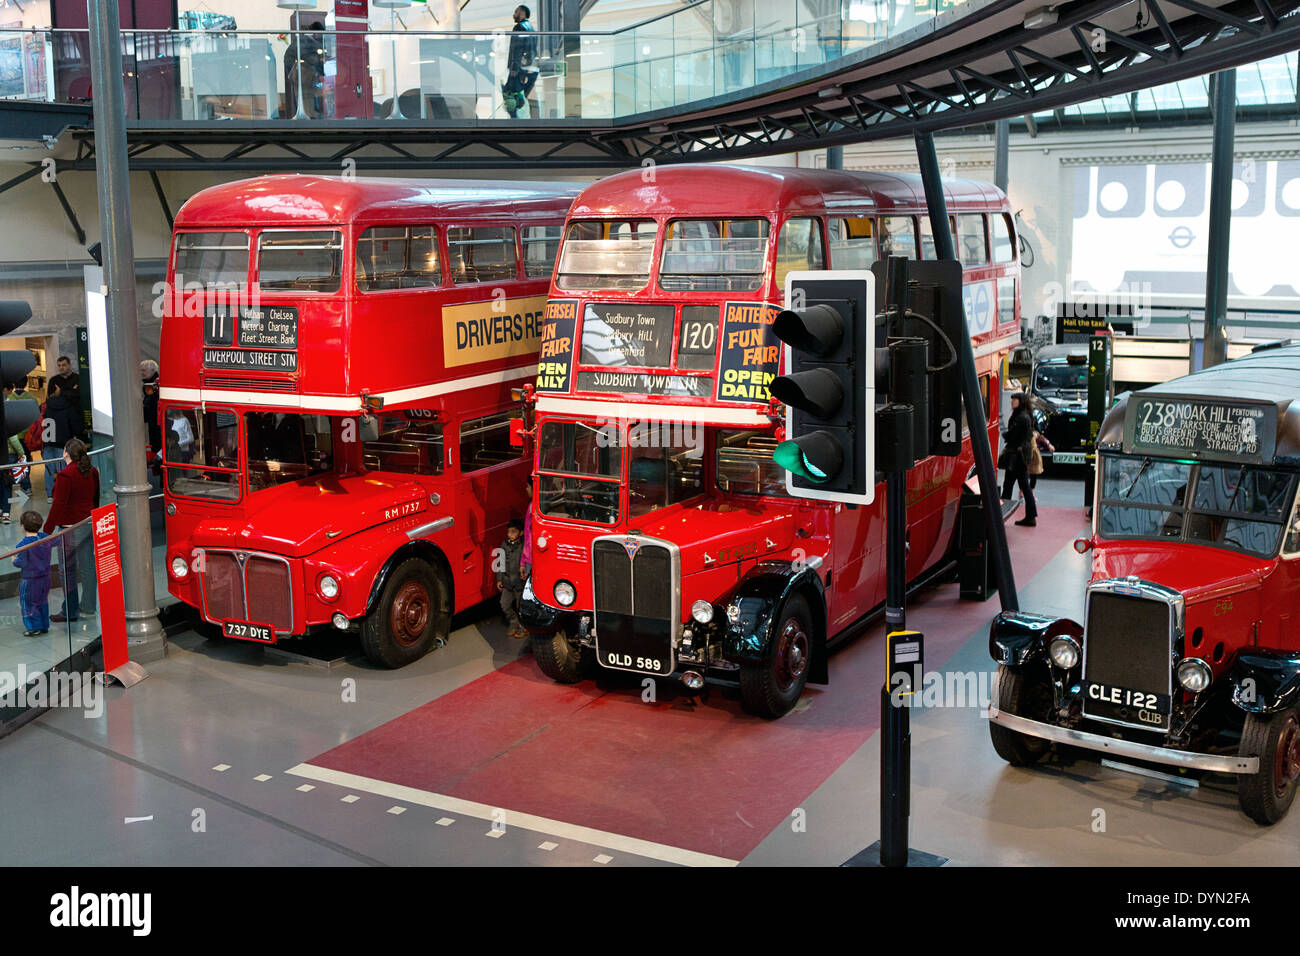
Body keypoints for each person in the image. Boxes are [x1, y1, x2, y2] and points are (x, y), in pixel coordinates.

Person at [44, 438, 100, 622]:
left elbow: (58, 505)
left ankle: (69, 610)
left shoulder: (66, 475)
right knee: (88, 567)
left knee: (66, 570)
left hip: (70, 529)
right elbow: (95, 497)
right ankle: (88, 606)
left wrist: (46, 531)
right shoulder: (91, 471)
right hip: (89, 524)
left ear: (66, 453)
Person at [40, 381, 84, 499]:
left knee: (48, 469)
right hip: (63, 441)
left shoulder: (46, 405)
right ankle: (63, 493)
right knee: (63, 469)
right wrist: (76, 435)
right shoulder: (68, 406)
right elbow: (74, 424)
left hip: (48, 441)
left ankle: (50, 495)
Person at [1001, 392, 1038, 528]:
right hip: (1021, 455)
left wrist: (1006, 434)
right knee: (1023, 485)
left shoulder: (1020, 417)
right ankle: (1031, 516)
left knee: (1009, 485)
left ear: (1020, 401)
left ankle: (1002, 514)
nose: (1012, 402)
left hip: (1016, 456)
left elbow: (1012, 436)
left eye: (1015, 400)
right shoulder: (1026, 415)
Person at [13, 510, 51, 636]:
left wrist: (14, 560)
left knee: (29, 603)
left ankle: (34, 627)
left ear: (22, 527)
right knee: (42, 601)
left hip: (30, 579)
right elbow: (54, 541)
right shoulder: (45, 538)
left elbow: (21, 563)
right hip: (45, 577)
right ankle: (44, 624)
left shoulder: (22, 545)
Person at [502, 5, 539, 119]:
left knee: (509, 94)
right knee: (515, 93)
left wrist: (514, 67)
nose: (514, 15)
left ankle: (514, 119)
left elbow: (516, 49)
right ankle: (518, 114)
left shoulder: (519, 27)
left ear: (522, 13)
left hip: (518, 67)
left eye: (515, 12)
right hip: (529, 68)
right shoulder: (532, 29)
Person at [497, 517, 526, 638]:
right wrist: (499, 579)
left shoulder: (524, 546)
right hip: (508, 582)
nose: (510, 534)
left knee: (521, 606)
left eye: (513, 531)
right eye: (509, 532)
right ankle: (514, 621)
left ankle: (523, 626)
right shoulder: (504, 545)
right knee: (504, 604)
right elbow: (500, 563)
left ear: (520, 532)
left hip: (519, 582)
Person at [141, 359, 161, 461]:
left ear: (152, 370)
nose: (142, 373)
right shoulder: (149, 385)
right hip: (154, 425)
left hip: (157, 427)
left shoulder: (153, 386)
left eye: (144, 370)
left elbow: (149, 408)